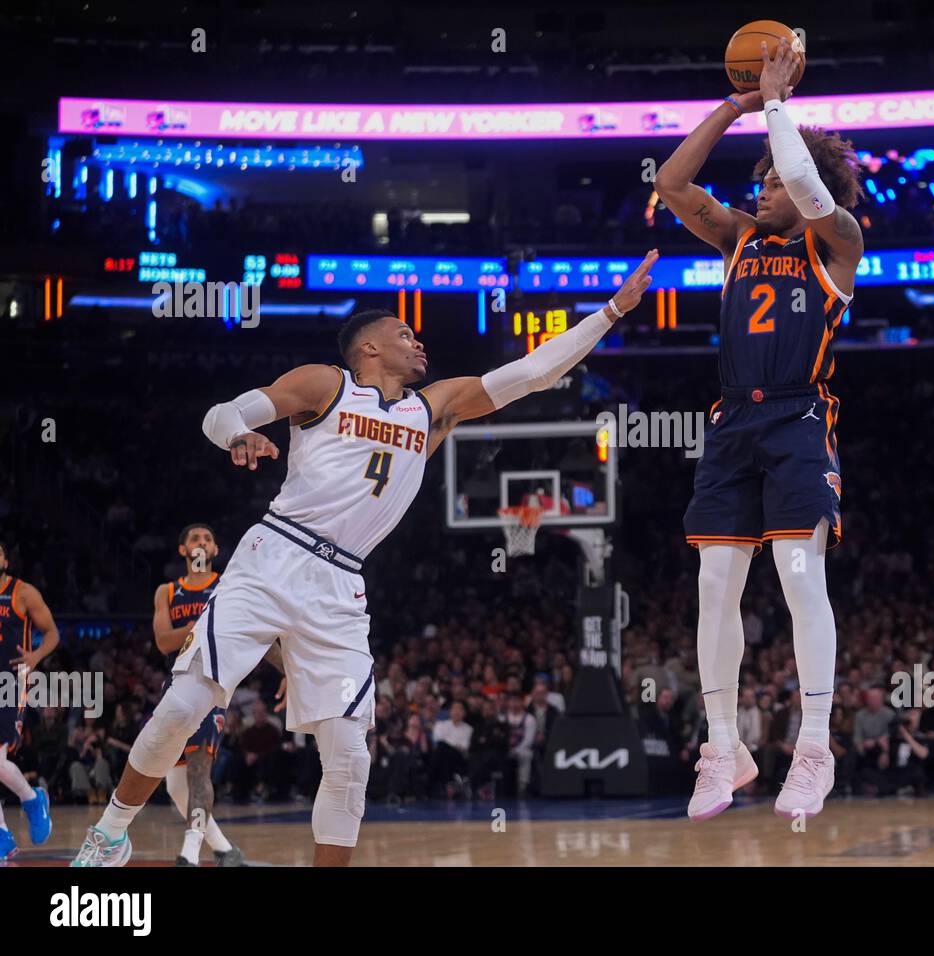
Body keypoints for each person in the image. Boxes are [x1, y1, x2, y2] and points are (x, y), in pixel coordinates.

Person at [71, 251, 658, 866]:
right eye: (405, 333)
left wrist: (611, 311)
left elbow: (534, 371)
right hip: (275, 553)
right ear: (370, 349)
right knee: (185, 705)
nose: (419, 341)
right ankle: (111, 829)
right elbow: (224, 413)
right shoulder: (328, 384)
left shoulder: (432, 409)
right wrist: (237, 436)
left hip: (342, 585)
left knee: (351, 755)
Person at [657, 37, 865, 820]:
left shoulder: (836, 239)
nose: (766, 186)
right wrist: (736, 107)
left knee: (798, 573)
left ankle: (814, 746)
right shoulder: (739, 238)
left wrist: (778, 106)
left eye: (773, 177)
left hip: (798, 415)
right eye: (763, 178)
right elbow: (673, 182)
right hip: (731, 420)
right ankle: (724, 747)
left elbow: (811, 190)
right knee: (715, 584)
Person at [149, 524, 245, 866]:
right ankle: (224, 850)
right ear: (183, 550)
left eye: (207, 539)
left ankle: (189, 854)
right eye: (194, 539)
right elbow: (163, 642)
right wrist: (205, 624)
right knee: (174, 785)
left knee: (198, 769)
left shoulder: (227, 585)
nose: (201, 543)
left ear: (216, 550)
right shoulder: (167, 591)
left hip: (211, 683)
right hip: (175, 683)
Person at [0, 542, 57, 860]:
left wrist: (35, 656)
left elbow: (52, 633)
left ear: (5, 559)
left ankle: (32, 797)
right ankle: (3, 836)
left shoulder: (22, 592)